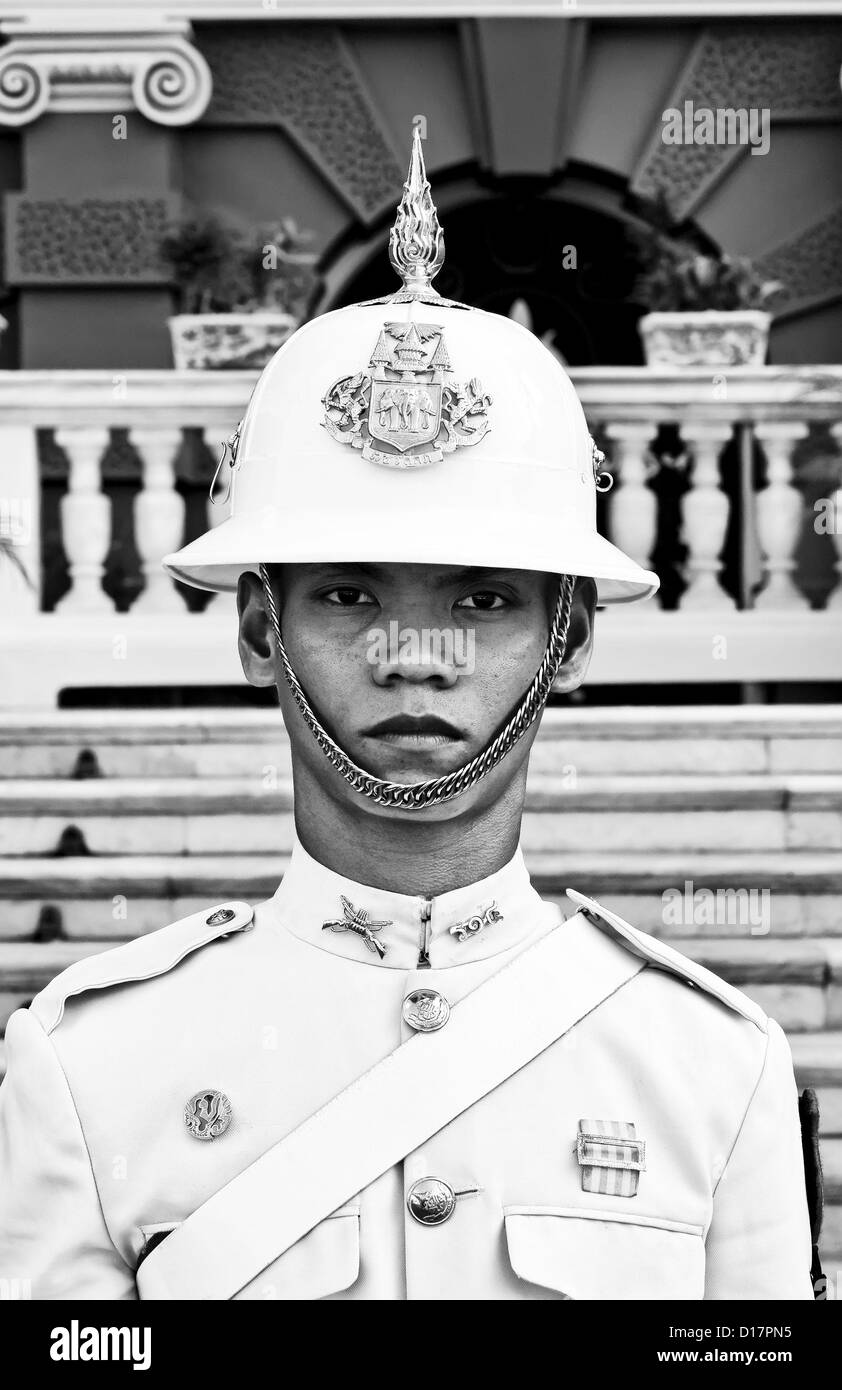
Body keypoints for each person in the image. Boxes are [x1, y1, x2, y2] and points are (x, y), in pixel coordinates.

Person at [0, 128, 813, 1301]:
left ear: (569, 638)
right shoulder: (88, 1065)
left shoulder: (708, 1066)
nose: (412, 656)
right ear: (255, 631)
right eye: (345, 593)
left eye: (481, 600)